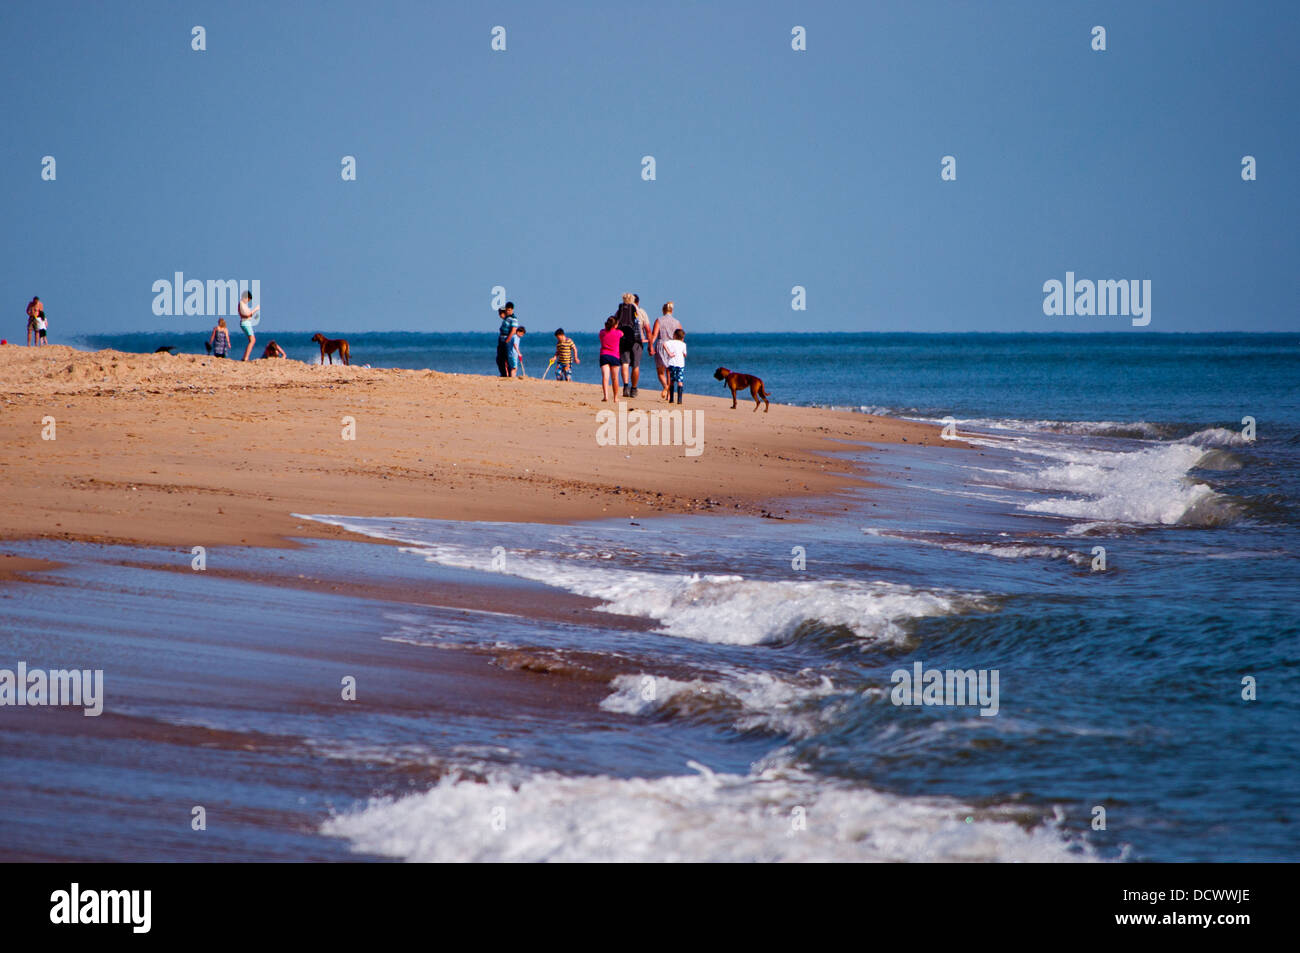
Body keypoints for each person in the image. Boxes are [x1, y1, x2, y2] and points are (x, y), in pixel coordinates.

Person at [650, 301, 682, 399]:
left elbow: (654, 335)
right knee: (669, 371)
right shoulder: (677, 322)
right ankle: (669, 395)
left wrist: (650, 346)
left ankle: (666, 387)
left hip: (661, 345)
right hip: (673, 346)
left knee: (660, 371)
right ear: (672, 311)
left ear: (663, 310)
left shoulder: (659, 320)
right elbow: (681, 337)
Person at [659, 328, 687, 404]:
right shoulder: (683, 344)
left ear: (674, 335)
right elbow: (685, 354)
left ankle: (671, 399)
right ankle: (679, 400)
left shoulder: (670, 342)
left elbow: (664, 344)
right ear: (682, 338)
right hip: (680, 365)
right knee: (680, 381)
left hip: (672, 364)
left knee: (672, 381)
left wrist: (669, 353)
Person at [598, 316, 622, 402]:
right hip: (615, 356)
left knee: (605, 377)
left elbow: (602, 337)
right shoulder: (619, 333)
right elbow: (622, 335)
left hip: (604, 355)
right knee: (615, 378)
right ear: (615, 325)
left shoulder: (602, 332)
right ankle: (615, 397)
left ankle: (606, 396)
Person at [496, 303, 519, 377]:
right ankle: (503, 374)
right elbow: (501, 311)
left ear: (512, 310)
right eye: (507, 310)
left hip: (507, 340)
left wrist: (507, 340)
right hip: (501, 339)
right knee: (500, 359)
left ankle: (508, 374)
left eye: (509, 310)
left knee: (507, 358)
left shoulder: (513, 319)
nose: (508, 311)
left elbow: (513, 330)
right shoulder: (506, 317)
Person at [238, 291, 260, 361]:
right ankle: (246, 357)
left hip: (246, 322)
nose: (248, 301)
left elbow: (246, 315)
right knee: (252, 340)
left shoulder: (242, 304)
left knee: (252, 340)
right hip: (245, 323)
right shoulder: (241, 304)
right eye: (248, 300)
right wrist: (255, 309)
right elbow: (247, 315)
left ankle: (245, 357)